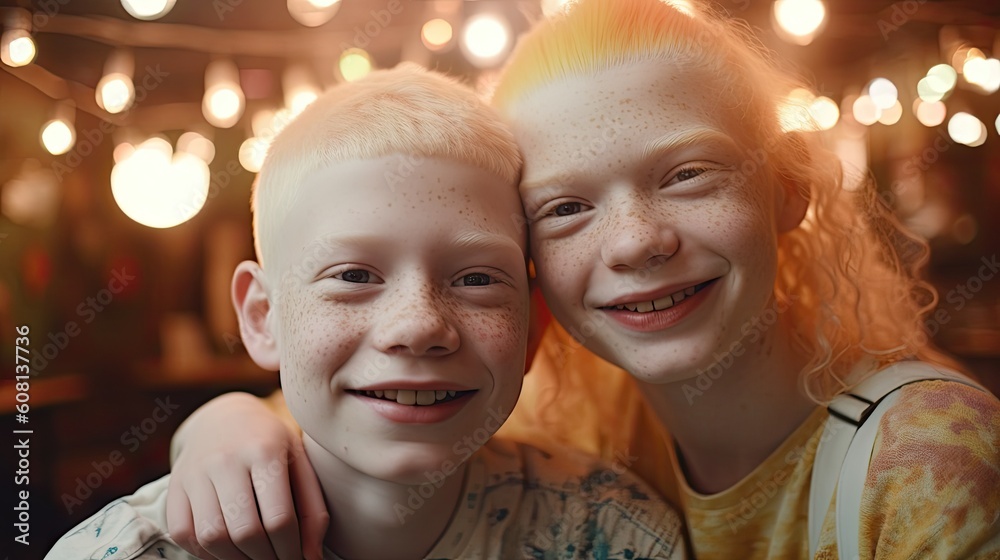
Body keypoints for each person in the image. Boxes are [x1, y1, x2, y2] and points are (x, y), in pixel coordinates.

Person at [166, 0, 1000, 558]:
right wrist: (217, 423)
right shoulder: (577, 401)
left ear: (788, 188)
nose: (637, 242)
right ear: (529, 270)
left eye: (687, 174)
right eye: (565, 208)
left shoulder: (925, 458)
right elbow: (332, 402)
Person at [45, 64, 685, 560]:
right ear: (263, 318)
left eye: (476, 278)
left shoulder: (612, 535)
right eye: (353, 276)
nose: (418, 326)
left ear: (531, 322)